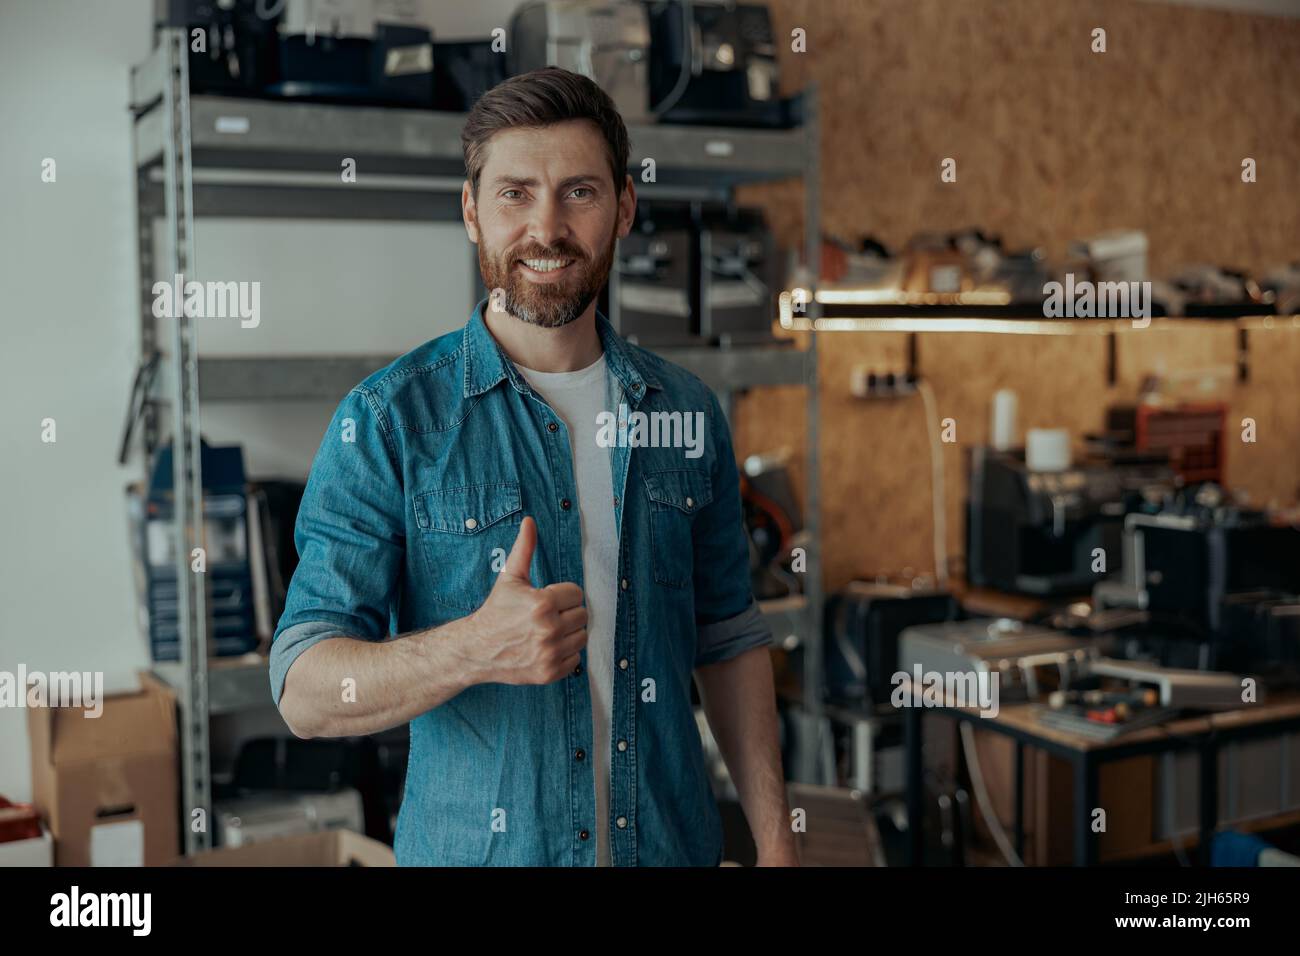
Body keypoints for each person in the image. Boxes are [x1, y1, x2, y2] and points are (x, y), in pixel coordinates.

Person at [271, 67, 797, 867]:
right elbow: (305, 690)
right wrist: (473, 649)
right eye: (515, 193)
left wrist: (775, 844)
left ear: (623, 208)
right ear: (471, 212)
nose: (546, 228)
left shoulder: (685, 412)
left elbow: (728, 640)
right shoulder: (390, 422)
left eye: (578, 192)